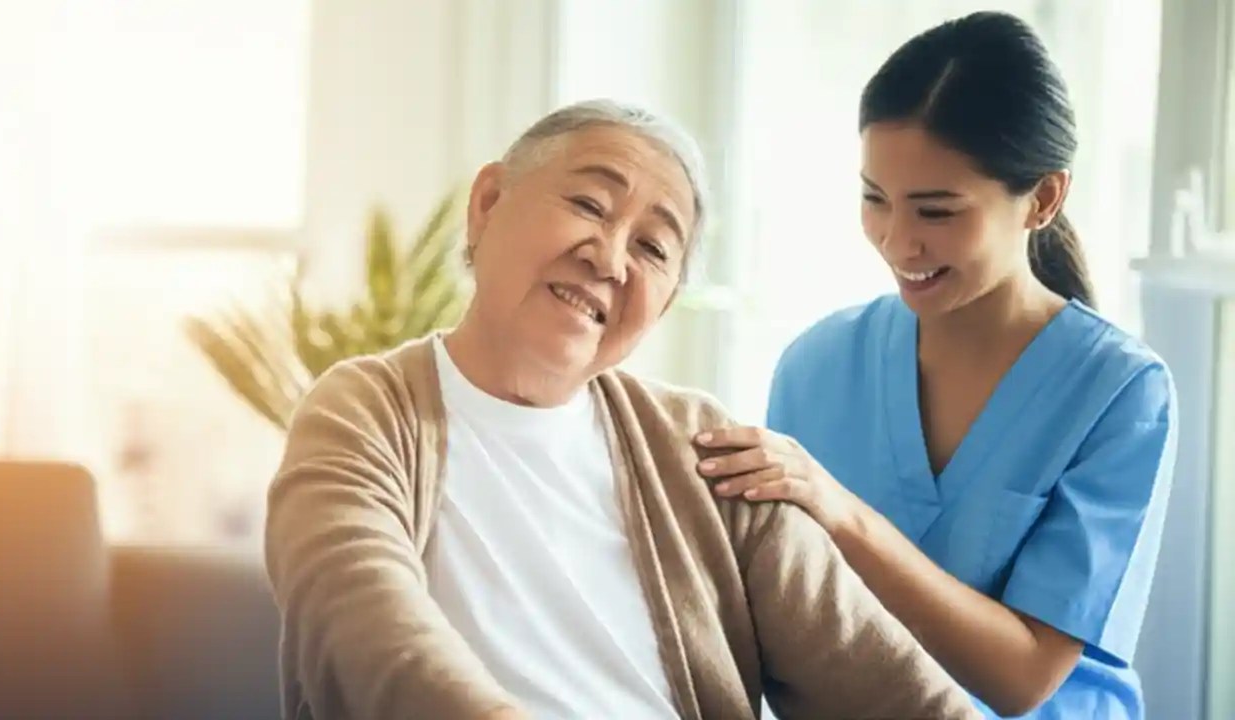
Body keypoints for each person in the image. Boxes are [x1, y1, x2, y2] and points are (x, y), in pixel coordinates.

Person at [264, 99, 978, 720]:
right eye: (588, 206)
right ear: (488, 203)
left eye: (652, 247)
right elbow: (359, 617)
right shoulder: (364, 411)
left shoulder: (705, 451)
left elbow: (878, 676)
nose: (608, 259)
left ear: (663, 302)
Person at [696, 11, 1177, 720]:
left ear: (1042, 199)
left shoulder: (1119, 392)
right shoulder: (815, 366)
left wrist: (843, 514)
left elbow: (1024, 678)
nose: (897, 241)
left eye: (937, 212)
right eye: (874, 199)